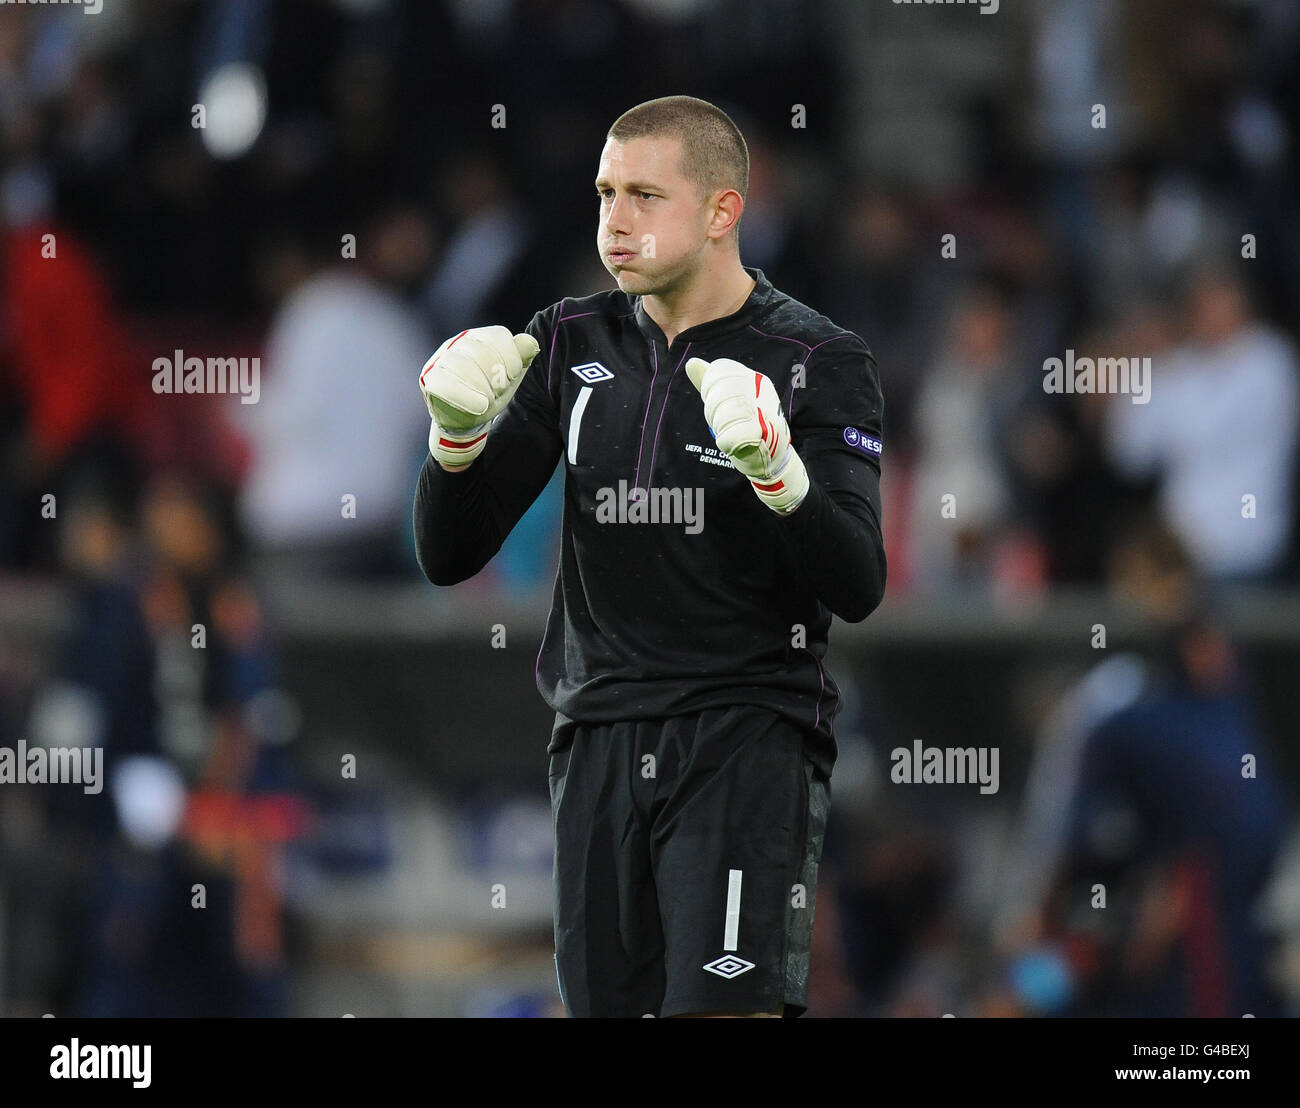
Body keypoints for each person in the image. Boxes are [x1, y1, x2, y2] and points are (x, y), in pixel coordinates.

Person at [412, 96, 887, 1017]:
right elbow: (448, 553)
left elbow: (858, 582)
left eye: (644, 195)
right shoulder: (569, 341)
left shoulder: (816, 359)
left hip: (744, 737)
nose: (615, 222)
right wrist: (453, 445)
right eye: (603, 194)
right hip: (594, 734)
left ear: (721, 211)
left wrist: (780, 476)